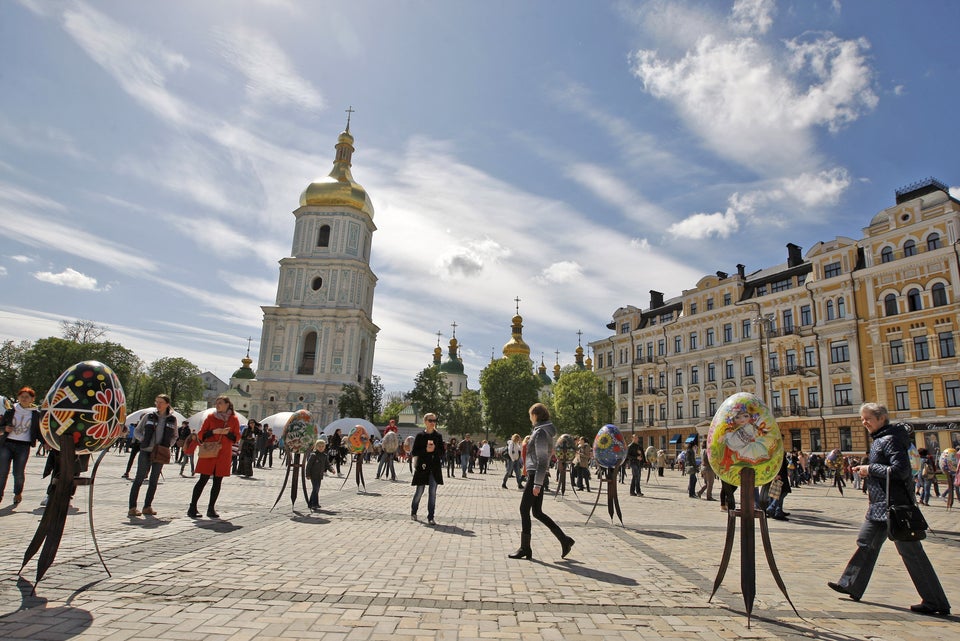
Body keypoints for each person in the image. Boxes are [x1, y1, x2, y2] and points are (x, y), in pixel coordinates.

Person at [828, 403, 950, 616]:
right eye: (862, 419)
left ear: (881, 418)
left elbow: (901, 470)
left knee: (911, 553)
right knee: (865, 543)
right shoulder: (881, 439)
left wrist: (869, 469)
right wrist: (867, 470)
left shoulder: (890, 439)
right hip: (879, 506)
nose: (864, 422)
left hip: (895, 506)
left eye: (868, 418)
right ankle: (850, 584)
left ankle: (935, 601)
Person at [508, 403, 574, 561]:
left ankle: (525, 548)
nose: (530, 418)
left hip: (535, 475)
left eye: (531, 415)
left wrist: (537, 483)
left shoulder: (541, 432)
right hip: (536, 474)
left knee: (524, 509)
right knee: (537, 512)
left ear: (536, 415)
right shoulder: (541, 431)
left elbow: (543, 459)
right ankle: (564, 540)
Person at [188, 396, 241, 519]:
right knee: (203, 479)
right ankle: (192, 507)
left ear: (228, 404)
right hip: (209, 452)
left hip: (223, 453)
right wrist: (214, 432)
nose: (217, 405)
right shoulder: (211, 417)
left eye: (220, 403)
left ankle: (211, 508)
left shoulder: (234, 419)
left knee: (218, 481)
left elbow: (237, 437)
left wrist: (228, 433)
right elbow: (201, 434)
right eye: (216, 403)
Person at [128, 394, 178, 517]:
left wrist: (168, 445)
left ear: (167, 404)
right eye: (157, 402)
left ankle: (147, 506)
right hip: (146, 450)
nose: (158, 405)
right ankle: (132, 507)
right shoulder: (148, 416)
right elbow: (137, 430)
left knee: (154, 481)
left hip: (160, 452)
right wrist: (143, 439)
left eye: (161, 402)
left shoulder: (172, 419)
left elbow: (175, 436)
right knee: (139, 479)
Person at [0, 387, 42, 506]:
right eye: (22, 396)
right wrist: (5, 429)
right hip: (6, 444)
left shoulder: (35, 414)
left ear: (32, 399)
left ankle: (18, 493)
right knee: (2, 471)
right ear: (18, 398)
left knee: (18, 472)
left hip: (23, 446)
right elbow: (0, 427)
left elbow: (38, 431)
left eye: (27, 397)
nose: (24, 399)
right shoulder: (10, 411)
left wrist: (45, 442)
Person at [410, 413, 444, 525]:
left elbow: (442, 452)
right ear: (425, 421)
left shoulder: (438, 436)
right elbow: (414, 452)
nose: (433, 422)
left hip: (434, 468)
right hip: (422, 467)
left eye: (434, 420)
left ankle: (430, 517)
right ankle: (414, 511)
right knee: (419, 491)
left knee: (432, 493)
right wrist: (426, 450)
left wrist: (434, 450)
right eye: (430, 420)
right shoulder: (420, 436)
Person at [305, 439, 329, 510]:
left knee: (316, 489)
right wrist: (307, 474)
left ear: (324, 447)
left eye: (322, 446)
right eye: (319, 446)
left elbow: (327, 464)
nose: (321, 448)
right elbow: (308, 466)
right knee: (315, 488)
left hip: (319, 475)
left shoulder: (324, 455)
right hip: (313, 475)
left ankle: (313, 503)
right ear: (316, 446)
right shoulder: (313, 455)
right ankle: (313, 503)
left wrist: (332, 469)